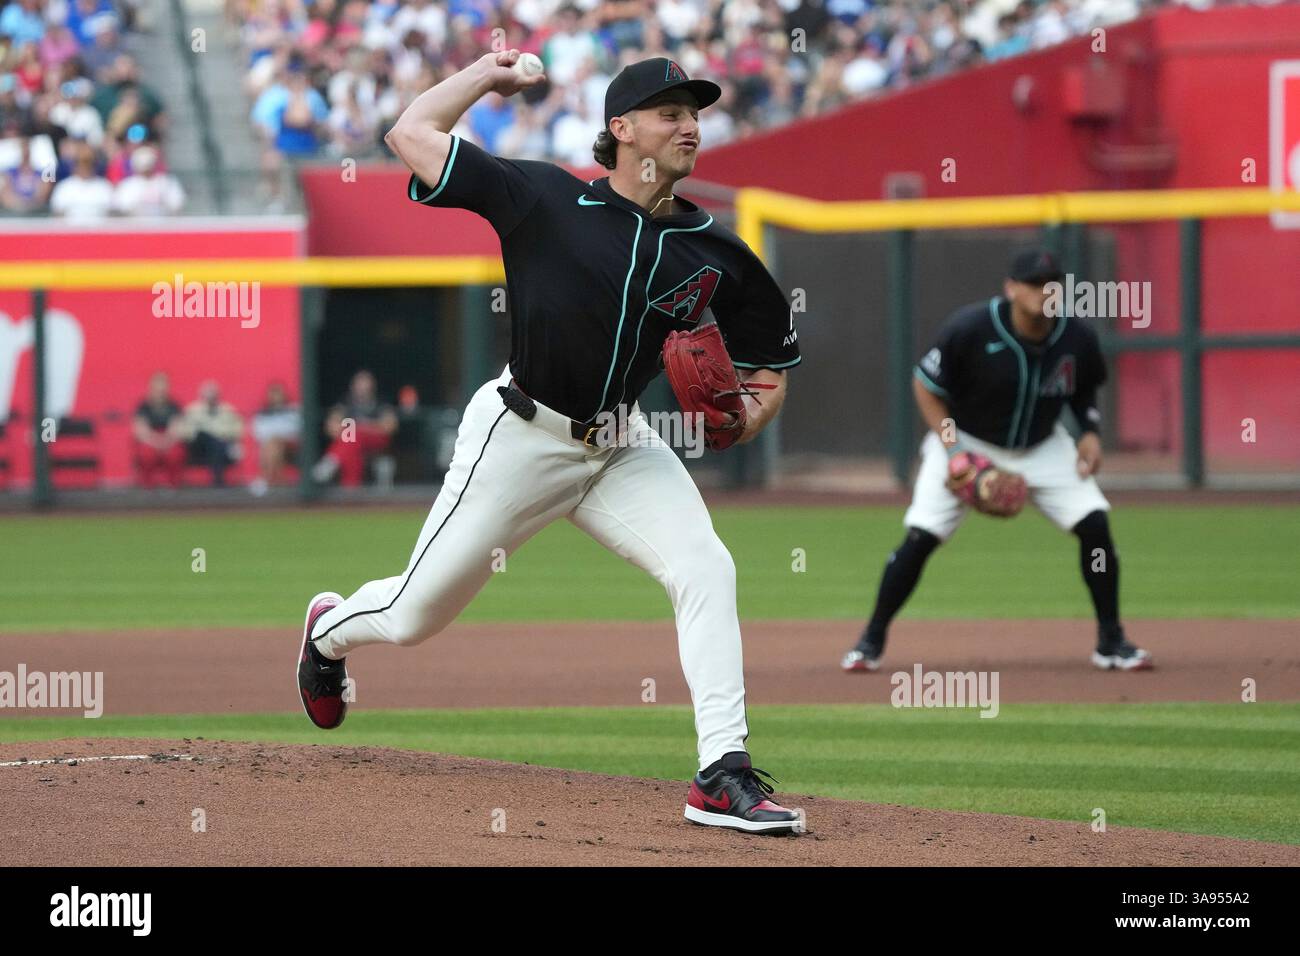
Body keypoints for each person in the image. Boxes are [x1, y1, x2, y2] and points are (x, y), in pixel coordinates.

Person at [296, 53, 803, 835]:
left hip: (620, 448)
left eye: (695, 112)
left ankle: (722, 774)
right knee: (414, 614)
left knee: (707, 565)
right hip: (520, 438)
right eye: (669, 113)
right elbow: (410, 132)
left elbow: (770, 367)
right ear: (621, 129)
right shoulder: (546, 199)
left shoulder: (717, 250)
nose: (689, 126)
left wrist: (746, 419)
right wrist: (485, 77)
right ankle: (328, 631)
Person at [841, 249, 1153, 675]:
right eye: (1034, 282)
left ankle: (1111, 641)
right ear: (1011, 288)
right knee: (921, 537)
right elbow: (927, 387)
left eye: (1052, 283)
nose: (1044, 290)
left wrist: (1092, 434)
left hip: (1042, 446)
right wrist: (953, 451)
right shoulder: (970, 328)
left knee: (1095, 526)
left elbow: (1082, 393)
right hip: (967, 439)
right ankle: (869, 641)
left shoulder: (1077, 337)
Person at [311, 369, 397, 487]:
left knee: (353, 433)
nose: (363, 387)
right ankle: (351, 490)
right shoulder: (344, 403)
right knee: (351, 444)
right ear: (353, 386)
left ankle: (331, 461)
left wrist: (361, 427)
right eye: (360, 383)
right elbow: (331, 428)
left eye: (366, 383)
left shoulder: (381, 403)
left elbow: (389, 427)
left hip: (376, 442)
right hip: (351, 443)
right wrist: (357, 428)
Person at [181, 380, 244, 487]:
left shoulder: (227, 410)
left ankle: (217, 480)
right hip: (198, 448)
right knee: (205, 436)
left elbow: (238, 430)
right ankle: (218, 480)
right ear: (202, 396)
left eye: (213, 395)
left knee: (216, 444)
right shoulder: (192, 410)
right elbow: (184, 432)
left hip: (221, 447)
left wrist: (219, 436)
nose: (210, 398)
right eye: (208, 395)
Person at [132, 371, 187, 488]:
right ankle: (147, 488)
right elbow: (140, 431)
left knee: (175, 454)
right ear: (151, 388)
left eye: (163, 388)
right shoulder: (143, 406)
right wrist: (156, 442)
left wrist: (166, 441)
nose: (160, 391)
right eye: (157, 388)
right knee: (146, 454)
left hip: (169, 440)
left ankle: (174, 488)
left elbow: (177, 428)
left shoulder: (174, 406)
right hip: (149, 440)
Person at [249, 380, 301, 495]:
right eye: (273, 394)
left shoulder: (293, 410)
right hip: (269, 447)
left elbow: (296, 430)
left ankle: (265, 478)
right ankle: (279, 481)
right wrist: (275, 436)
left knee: (274, 442)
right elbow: (258, 433)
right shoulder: (262, 413)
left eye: (279, 393)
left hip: (290, 448)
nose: (276, 397)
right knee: (272, 444)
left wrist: (277, 436)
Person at [112, 145, 185, 215]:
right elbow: (121, 208)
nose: (146, 169)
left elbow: (177, 205)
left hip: (163, 225)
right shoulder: (127, 185)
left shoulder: (166, 182)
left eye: (148, 164)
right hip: (134, 226)